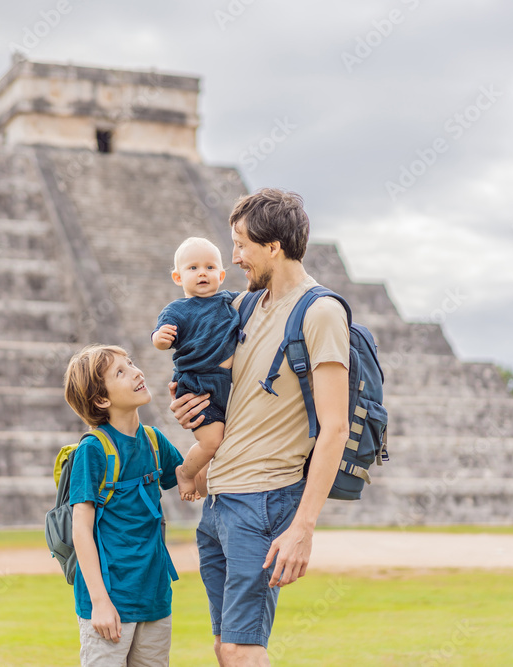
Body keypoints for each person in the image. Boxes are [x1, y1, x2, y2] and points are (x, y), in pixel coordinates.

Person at [169, 189, 351, 666]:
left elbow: (335, 428)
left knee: (241, 648)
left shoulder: (320, 312)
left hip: (265, 500)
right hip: (220, 500)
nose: (233, 258)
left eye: (242, 245)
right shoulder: (246, 306)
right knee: (224, 645)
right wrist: (192, 412)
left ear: (273, 246)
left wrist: (303, 528)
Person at [64, 344, 185, 667]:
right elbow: (81, 529)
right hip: (110, 600)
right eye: (121, 372)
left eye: (131, 364)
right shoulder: (93, 449)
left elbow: (193, 483)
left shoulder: (154, 440)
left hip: (155, 596)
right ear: (102, 400)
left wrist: (197, 420)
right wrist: (101, 603)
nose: (136, 372)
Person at [152, 237, 239, 501]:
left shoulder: (230, 301)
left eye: (210, 267)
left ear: (221, 275)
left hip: (226, 384)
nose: (203, 272)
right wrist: (160, 339)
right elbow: (159, 336)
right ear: (178, 278)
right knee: (211, 442)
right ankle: (186, 473)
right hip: (196, 385)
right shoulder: (178, 310)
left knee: (224, 442)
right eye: (193, 268)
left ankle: (202, 476)